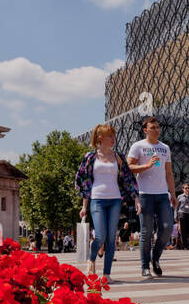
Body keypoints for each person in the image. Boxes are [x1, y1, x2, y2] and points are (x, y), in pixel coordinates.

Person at [75, 123, 139, 279]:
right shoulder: (90, 157)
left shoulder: (118, 157)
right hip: (97, 200)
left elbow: (128, 179)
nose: (113, 139)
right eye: (110, 136)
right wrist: (84, 206)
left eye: (114, 135)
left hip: (115, 200)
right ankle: (91, 261)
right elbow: (85, 182)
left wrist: (136, 199)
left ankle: (107, 274)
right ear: (100, 138)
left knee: (112, 238)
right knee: (100, 236)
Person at [126, 116, 175, 278]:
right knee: (146, 232)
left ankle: (156, 258)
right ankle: (144, 266)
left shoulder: (165, 148)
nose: (156, 130)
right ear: (145, 130)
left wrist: (173, 193)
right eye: (153, 127)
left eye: (158, 127)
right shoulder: (138, 146)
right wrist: (146, 166)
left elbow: (169, 173)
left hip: (162, 194)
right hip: (145, 194)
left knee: (167, 227)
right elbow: (128, 167)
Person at [175, 183, 189, 250]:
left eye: (188, 188)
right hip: (182, 214)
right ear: (183, 189)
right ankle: (185, 246)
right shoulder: (179, 197)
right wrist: (175, 217)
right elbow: (176, 208)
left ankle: (188, 244)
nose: (187, 189)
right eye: (186, 188)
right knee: (183, 231)